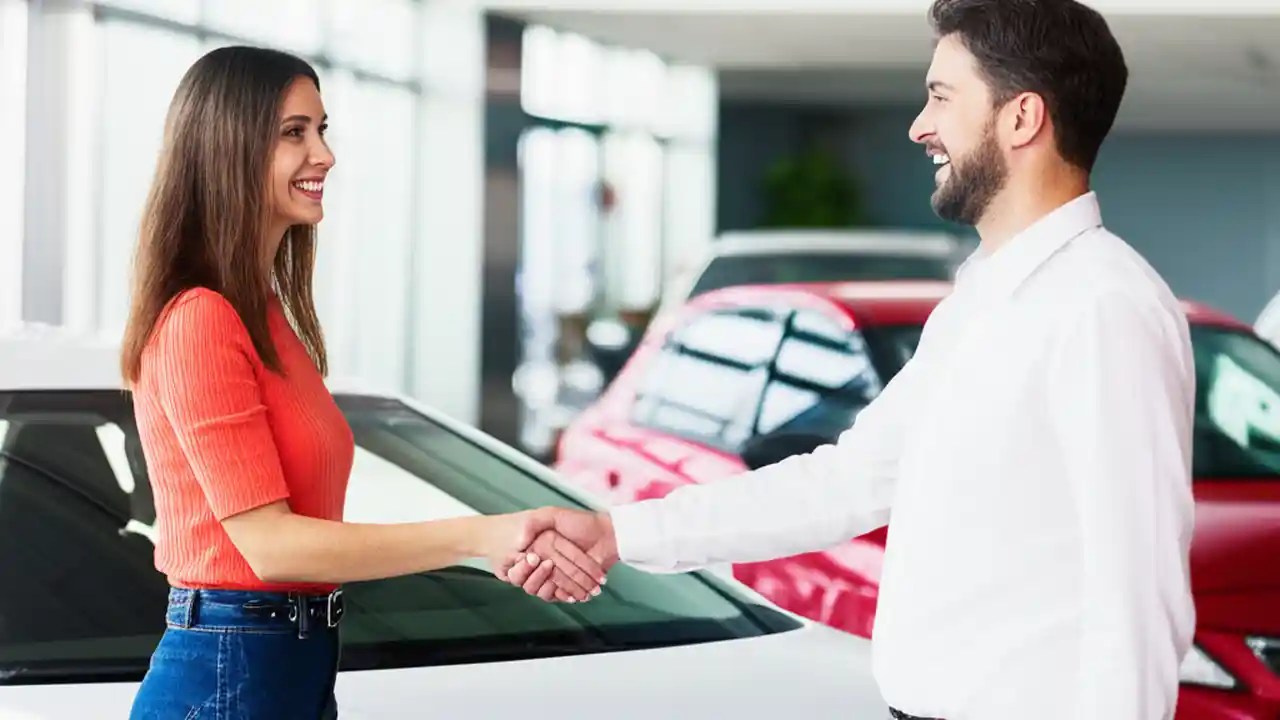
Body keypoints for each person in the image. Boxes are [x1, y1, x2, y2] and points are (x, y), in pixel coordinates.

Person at [502, 1, 1197, 718]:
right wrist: (619, 531)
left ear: (1022, 119)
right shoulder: (981, 300)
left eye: (941, 97)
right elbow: (844, 484)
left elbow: (1137, 592)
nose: (919, 126)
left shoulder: (1102, 305)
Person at [122, 46, 603, 720]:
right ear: (227, 146)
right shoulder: (199, 319)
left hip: (288, 660)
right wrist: (481, 538)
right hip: (232, 669)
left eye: (322, 129)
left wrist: (501, 534)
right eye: (295, 133)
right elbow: (271, 546)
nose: (324, 154)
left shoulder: (261, 315)